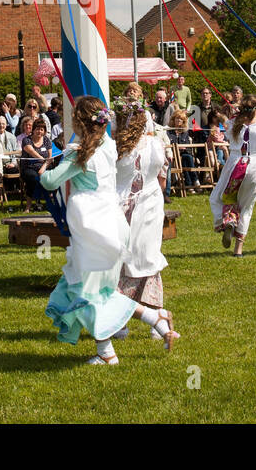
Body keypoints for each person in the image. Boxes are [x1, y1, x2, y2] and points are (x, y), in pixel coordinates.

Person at [38, 96, 180, 365]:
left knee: (90, 292)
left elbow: (49, 181)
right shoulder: (108, 146)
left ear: (79, 121)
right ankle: (153, 320)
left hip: (93, 225)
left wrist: (46, 168)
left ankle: (108, 352)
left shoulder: (80, 152)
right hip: (112, 222)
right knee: (93, 290)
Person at [114, 104, 170, 308]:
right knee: (148, 253)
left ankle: (122, 318)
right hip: (150, 203)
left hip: (123, 204)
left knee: (121, 258)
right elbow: (159, 175)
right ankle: (155, 314)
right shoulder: (155, 145)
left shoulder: (115, 146)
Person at [208, 94, 256, 256]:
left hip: (235, 163)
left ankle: (227, 221)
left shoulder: (233, 124)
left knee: (217, 197)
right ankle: (238, 250)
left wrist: (225, 115)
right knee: (247, 207)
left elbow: (220, 120)